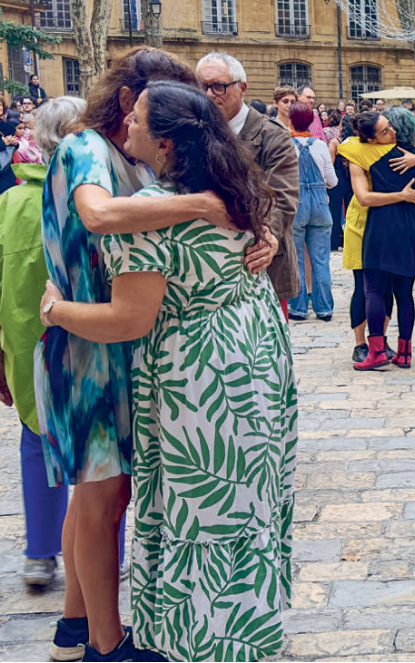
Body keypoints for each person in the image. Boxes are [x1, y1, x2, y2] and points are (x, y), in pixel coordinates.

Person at [39, 78, 297, 662]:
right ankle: (250, 631)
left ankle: (196, 641)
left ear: (167, 146)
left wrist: (56, 310)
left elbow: (129, 319)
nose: (126, 121)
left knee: (196, 500)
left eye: (139, 119)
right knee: (248, 497)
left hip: (197, 373)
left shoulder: (150, 213)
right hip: (255, 356)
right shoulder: (236, 185)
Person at [0, 96, 82, 592]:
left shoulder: (9, 202)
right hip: (87, 341)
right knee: (97, 452)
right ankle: (97, 550)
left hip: (27, 346)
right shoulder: (97, 197)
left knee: (37, 442)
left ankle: (41, 552)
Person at [196, 52, 299, 307]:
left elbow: (283, 196)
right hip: (207, 261)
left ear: (242, 88)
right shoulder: (194, 132)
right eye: (202, 87)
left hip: (258, 258)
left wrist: (268, 236)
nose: (209, 94)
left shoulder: (271, 135)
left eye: (218, 86)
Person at [347, 108, 415, 370]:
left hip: (382, 223)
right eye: (383, 130)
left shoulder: (363, 154)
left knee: (374, 290)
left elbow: (364, 196)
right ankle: (404, 353)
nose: (389, 132)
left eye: (390, 127)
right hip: (413, 225)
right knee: (405, 293)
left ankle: (376, 351)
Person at [286, 101, 338, 321]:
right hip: (319, 206)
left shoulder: (285, 145)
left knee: (296, 259)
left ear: (290, 120)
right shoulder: (320, 146)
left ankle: (297, 308)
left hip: (295, 205)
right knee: (320, 259)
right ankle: (324, 307)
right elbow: (333, 181)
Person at [327, 111, 351, 250]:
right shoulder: (357, 141)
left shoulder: (336, 142)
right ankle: (349, 239)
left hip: (337, 177)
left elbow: (330, 162)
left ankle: (335, 240)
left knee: (335, 210)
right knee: (351, 210)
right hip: (352, 177)